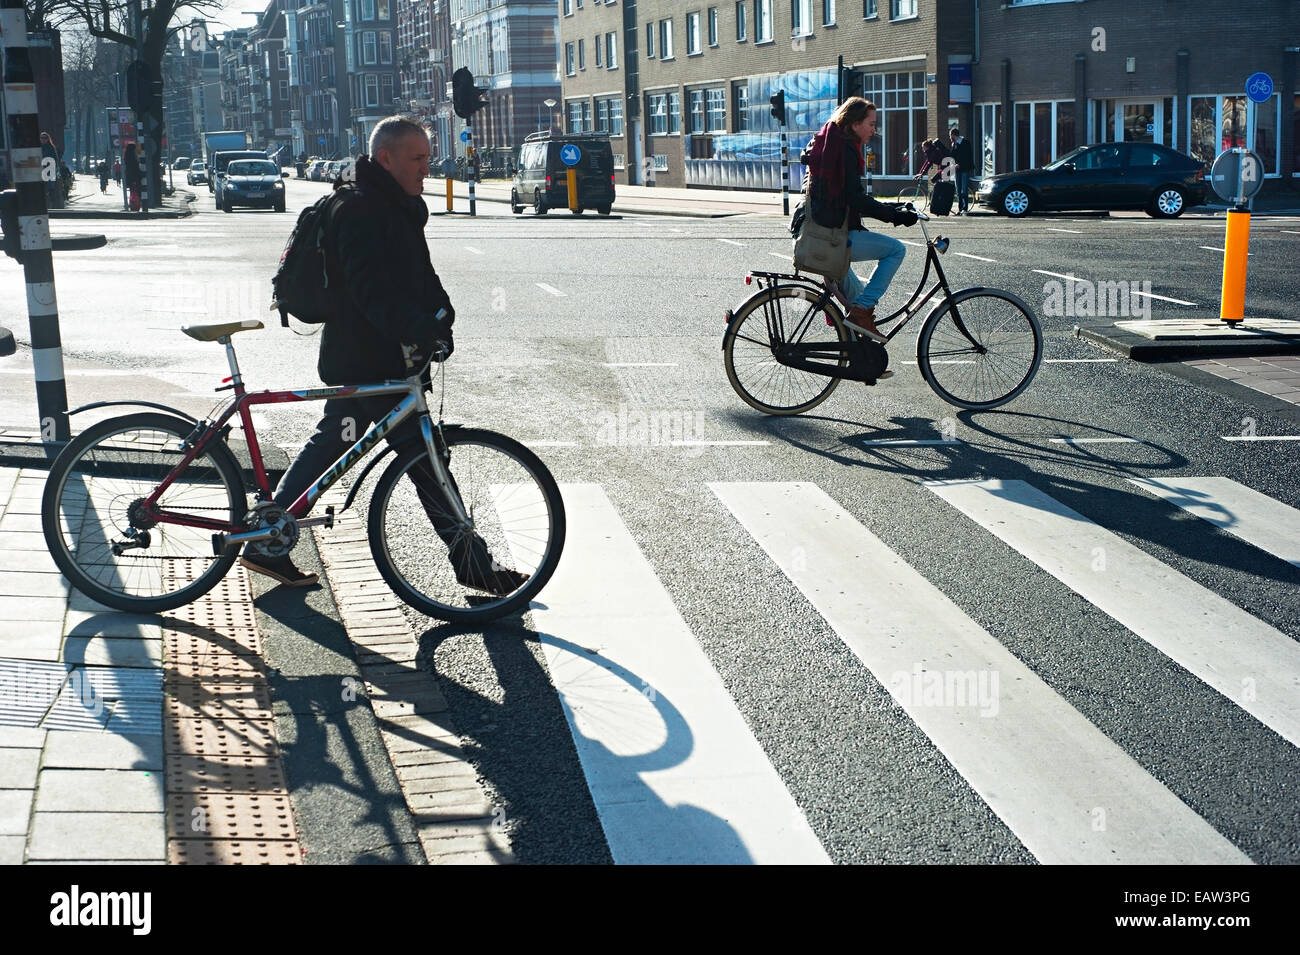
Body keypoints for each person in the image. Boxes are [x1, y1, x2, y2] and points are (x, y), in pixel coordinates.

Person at [242, 116, 526, 596]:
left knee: (334, 443)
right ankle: (473, 565)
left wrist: (441, 320)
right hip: (370, 358)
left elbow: (420, 275)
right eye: (417, 159)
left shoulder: (397, 205)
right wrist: (420, 331)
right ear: (386, 159)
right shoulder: (362, 211)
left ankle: (266, 540)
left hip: (370, 358)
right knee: (425, 459)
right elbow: (372, 294)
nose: (426, 168)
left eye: (428, 157)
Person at [800, 96, 917, 343]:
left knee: (855, 301)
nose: (874, 130)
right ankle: (863, 312)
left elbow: (846, 196)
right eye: (871, 124)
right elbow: (855, 199)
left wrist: (894, 207)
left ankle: (862, 360)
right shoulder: (845, 151)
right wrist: (895, 216)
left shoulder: (827, 143)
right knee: (896, 250)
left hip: (816, 229)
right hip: (831, 236)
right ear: (854, 124)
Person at [949, 128, 975, 215]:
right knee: (958, 190)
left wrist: (959, 164)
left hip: (964, 169)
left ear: (953, 135)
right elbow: (952, 156)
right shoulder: (954, 144)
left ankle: (965, 208)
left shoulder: (965, 143)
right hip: (957, 169)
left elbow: (967, 156)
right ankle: (960, 209)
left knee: (964, 189)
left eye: (950, 135)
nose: (950, 137)